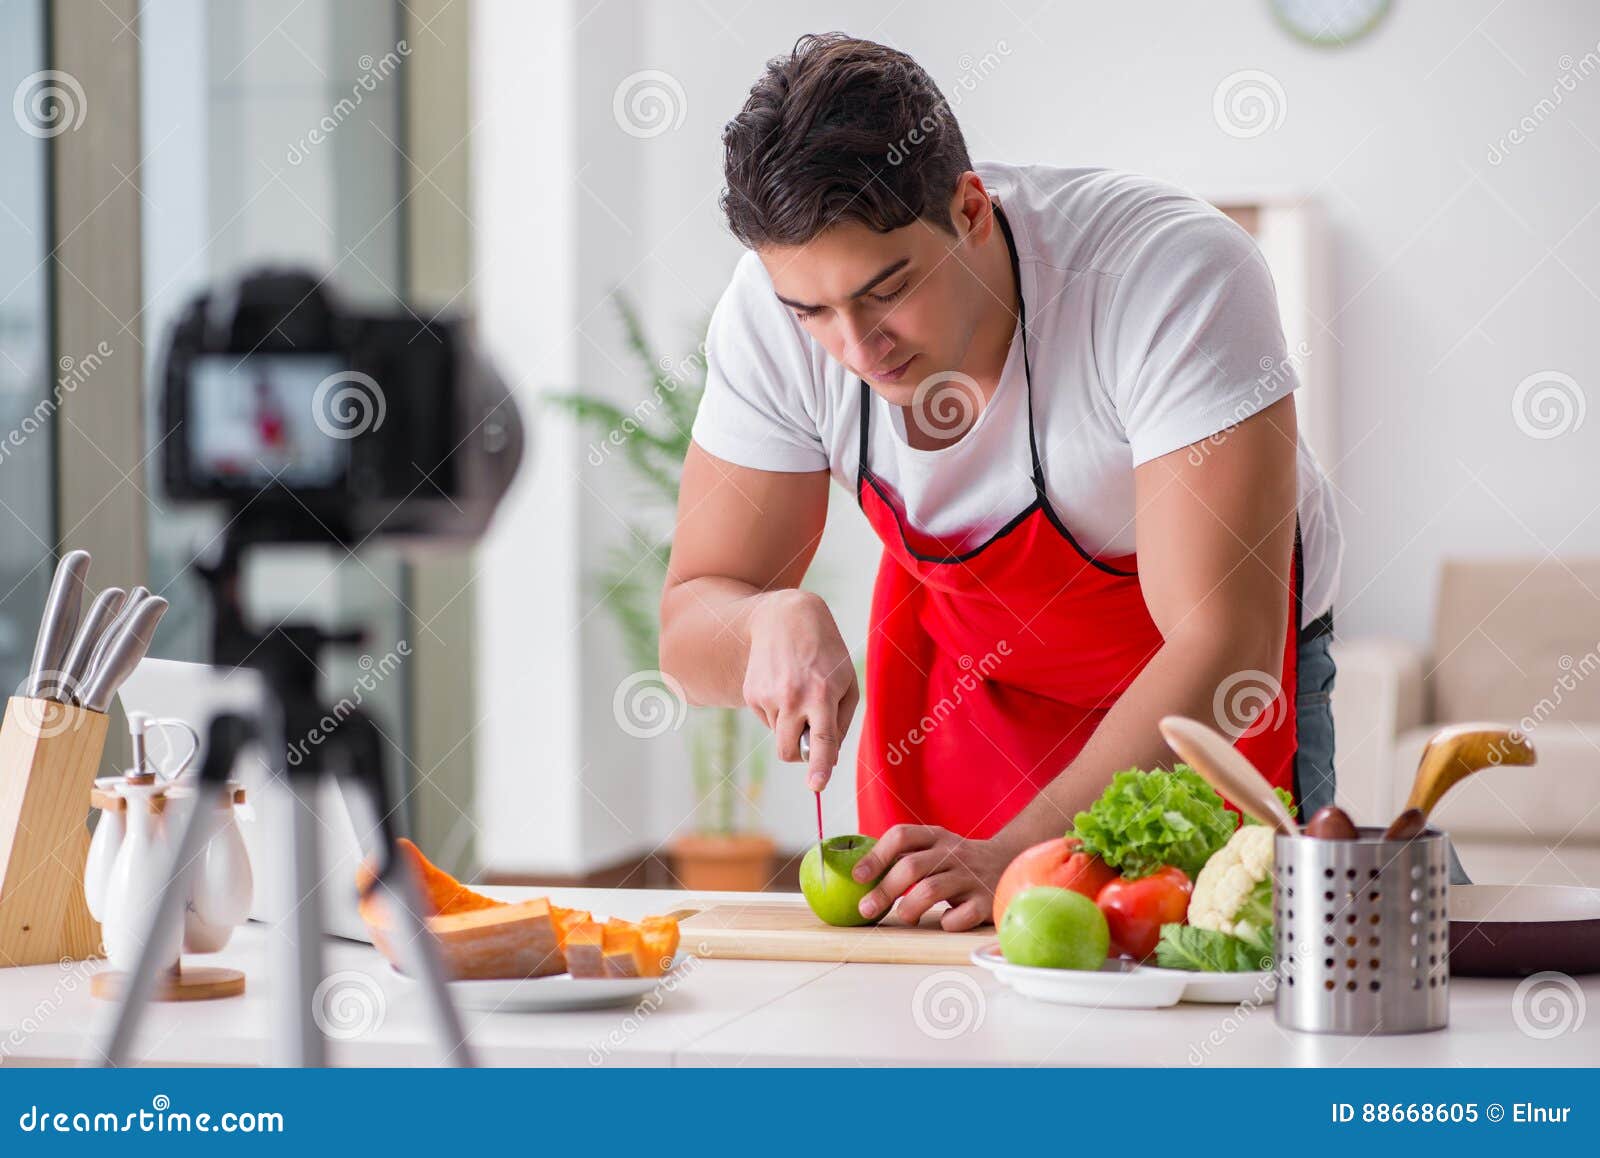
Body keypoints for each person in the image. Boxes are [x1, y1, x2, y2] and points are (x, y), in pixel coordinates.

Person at [659, 33, 1342, 929]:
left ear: (971, 208)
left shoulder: (1169, 276)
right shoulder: (765, 316)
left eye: (887, 290)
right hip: (970, 689)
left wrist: (1023, 854)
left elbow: (1225, 647)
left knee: (1226, 975)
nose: (857, 349)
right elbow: (687, 624)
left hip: (1196, 700)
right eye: (813, 312)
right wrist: (762, 621)